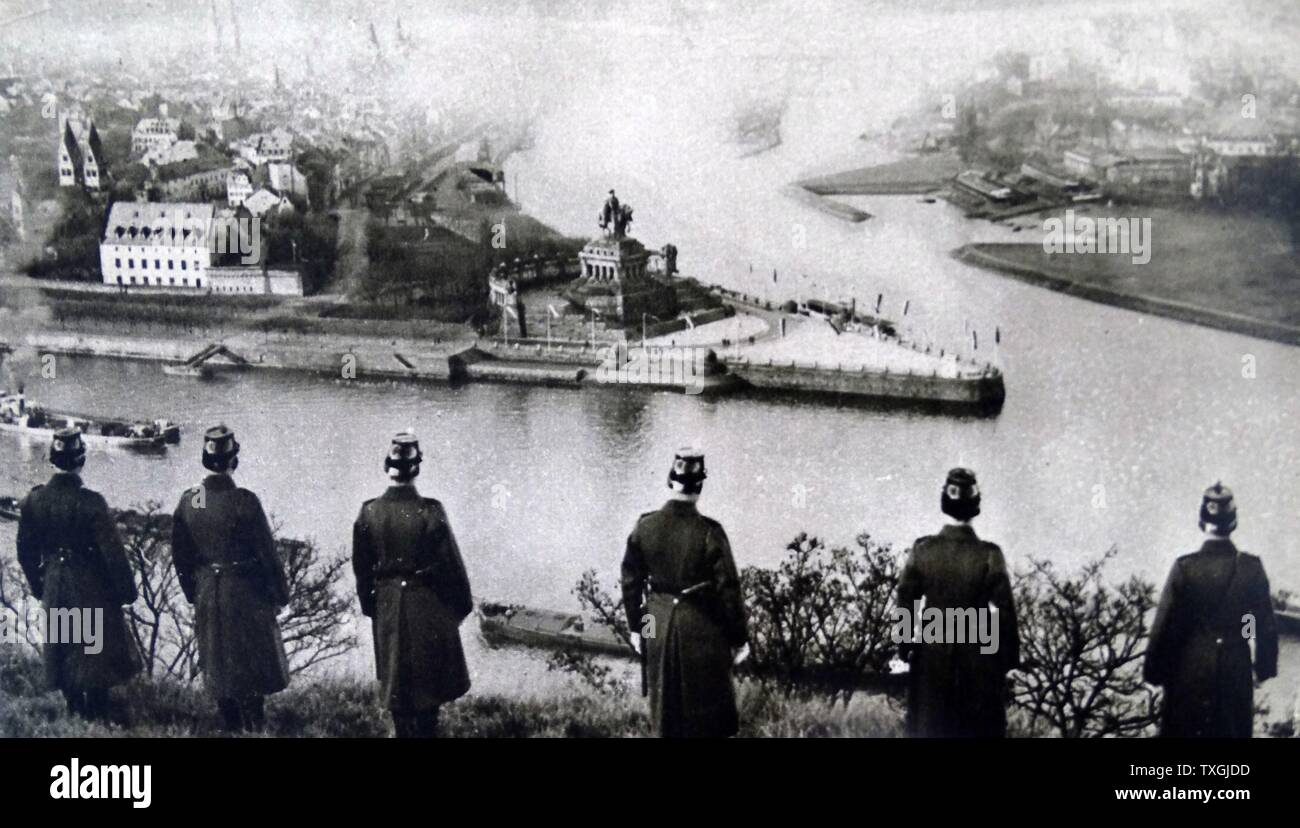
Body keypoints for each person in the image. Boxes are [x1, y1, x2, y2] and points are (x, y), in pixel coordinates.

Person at [352, 431, 473, 738]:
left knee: (396, 681)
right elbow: (453, 572)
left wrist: (375, 608)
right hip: (426, 605)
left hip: (387, 605)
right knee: (427, 689)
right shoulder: (431, 511)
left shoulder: (368, 511)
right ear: (416, 469)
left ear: (386, 466)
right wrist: (453, 613)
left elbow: (361, 570)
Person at [621, 448, 748, 738]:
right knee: (707, 715)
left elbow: (631, 584)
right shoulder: (710, 532)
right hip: (701, 626)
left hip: (654, 622)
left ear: (670, 481)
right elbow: (728, 590)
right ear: (700, 487)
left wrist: (638, 629)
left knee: (663, 708)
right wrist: (739, 639)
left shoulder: (644, 525)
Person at [16, 428, 141, 722]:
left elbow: (25, 551)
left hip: (54, 583)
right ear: (81, 460)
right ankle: (97, 713)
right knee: (92, 651)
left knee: (64, 647)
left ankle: (74, 710)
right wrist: (126, 592)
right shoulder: (92, 502)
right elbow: (113, 555)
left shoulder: (34, 500)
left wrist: (40, 586)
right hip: (90, 584)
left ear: (51, 460)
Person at [171, 425, 290, 733]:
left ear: (204, 460)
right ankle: (254, 724)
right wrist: (279, 595)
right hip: (245, 590)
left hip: (208, 590)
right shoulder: (244, 500)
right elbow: (267, 554)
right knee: (250, 659)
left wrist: (194, 591)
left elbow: (181, 554)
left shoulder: (192, 499)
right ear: (233, 460)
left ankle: (231, 724)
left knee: (218, 658)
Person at [1143, 483, 1278, 738]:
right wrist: (1261, 668)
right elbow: (1256, 624)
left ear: (1202, 522)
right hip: (1234, 671)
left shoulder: (1185, 568)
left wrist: (1155, 673)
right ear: (1233, 522)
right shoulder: (1250, 568)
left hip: (1188, 670)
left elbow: (1165, 628)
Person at [896, 468, 1020, 737]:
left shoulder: (922, 550)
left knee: (930, 729)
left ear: (944, 502)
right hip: (981, 660)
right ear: (976, 505)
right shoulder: (990, 554)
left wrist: (905, 649)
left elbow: (906, 600)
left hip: (932, 656)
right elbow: (1006, 612)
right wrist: (1009, 661)